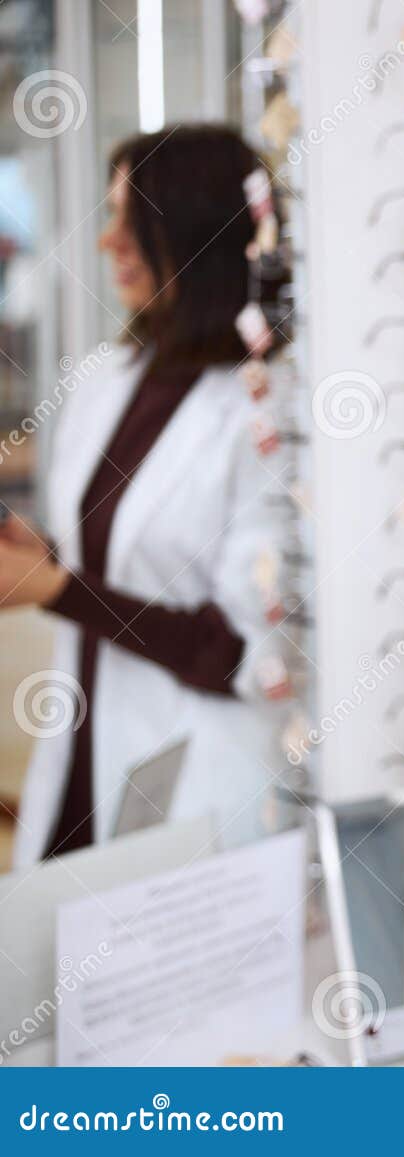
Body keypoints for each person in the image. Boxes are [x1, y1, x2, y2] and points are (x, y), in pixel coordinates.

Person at [2, 125, 288, 867]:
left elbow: (238, 649)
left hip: (194, 777)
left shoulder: (268, 409)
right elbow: (119, 558)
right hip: (80, 755)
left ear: (199, 235)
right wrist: (46, 556)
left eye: (132, 224)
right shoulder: (109, 377)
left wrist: (58, 586)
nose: (108, 243)